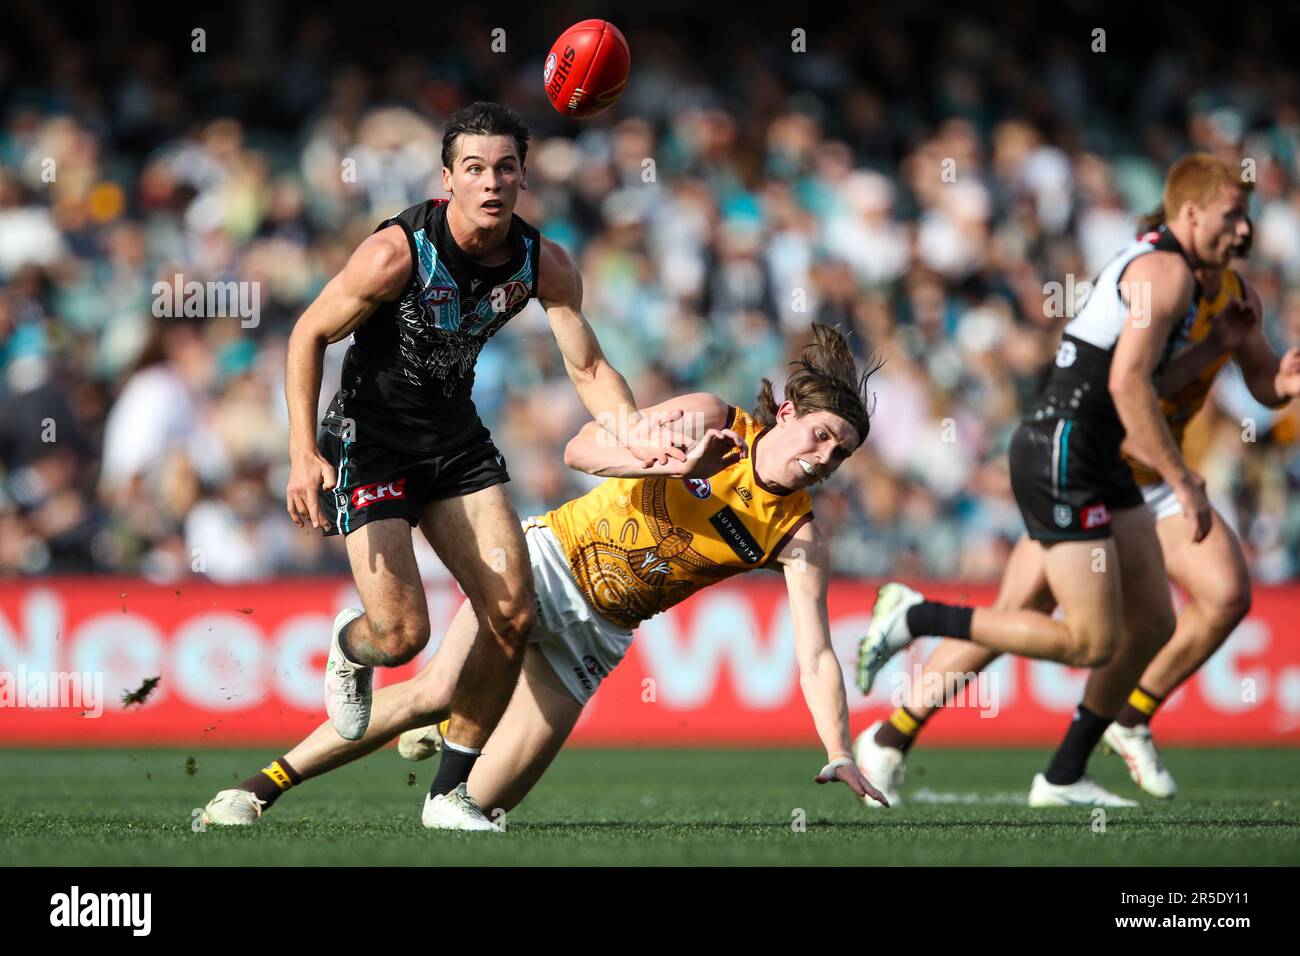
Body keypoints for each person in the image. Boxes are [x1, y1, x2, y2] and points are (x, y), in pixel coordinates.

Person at [202, 324, 890, 827]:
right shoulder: (712, 420)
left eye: (842, 455)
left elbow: (817, 655)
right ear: (789, 412)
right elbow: (583, 446)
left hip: (599, 638)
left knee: (484, 808)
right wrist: (671, 463)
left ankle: (449, 733)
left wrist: (838, 748)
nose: (826, 456)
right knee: (433, 688)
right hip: (551, 562)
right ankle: (259, 789)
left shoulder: (800, 535)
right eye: (822, 435)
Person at [282, 101, 681, 829]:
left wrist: (634, 432)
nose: (491, 182)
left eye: (504, 168)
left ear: (524, 177)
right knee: (401, 638)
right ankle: (350, 646)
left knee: (512, 612)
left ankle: (449, 796)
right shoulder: (395, 253)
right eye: (474, 169)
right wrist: (302, 451)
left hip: (456, 441)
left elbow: (589, 366)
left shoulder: (544, 263)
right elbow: (308, 333)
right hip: (369, 441)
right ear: (447, 179)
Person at [855, 215, 1300, 805]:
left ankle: (1119, 724)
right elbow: (1134, 387)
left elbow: (1261, 379)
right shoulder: (1155, 289)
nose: (1237, 235)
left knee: (1218, 597)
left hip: (1144, 478)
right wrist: (1184, 462)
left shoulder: (1230, 295)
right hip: (1107, 468)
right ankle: (898, 730)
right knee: (1031, 612)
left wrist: (1283, 381)